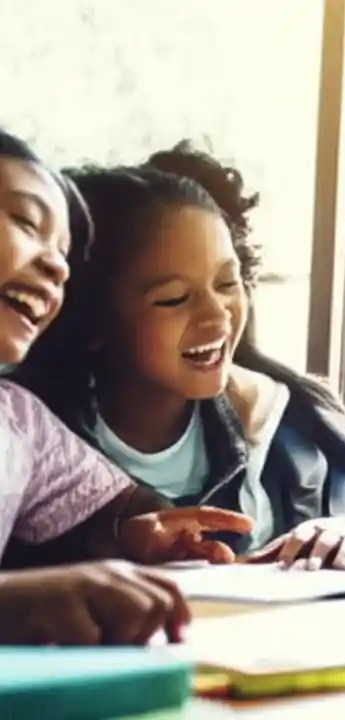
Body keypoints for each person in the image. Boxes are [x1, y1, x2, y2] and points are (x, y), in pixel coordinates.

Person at [17, 143, 345, 571]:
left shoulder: (270, 417)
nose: (216, 315)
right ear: (93, 317)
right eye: (174, 299)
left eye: (228, 284)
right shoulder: (29, 431)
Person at [0, 128, 253, 646]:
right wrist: (18, 603)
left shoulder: (19, 422)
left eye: (64, 253)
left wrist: (140, 532)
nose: (55, 266)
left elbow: (111, 506)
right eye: (27, 222)